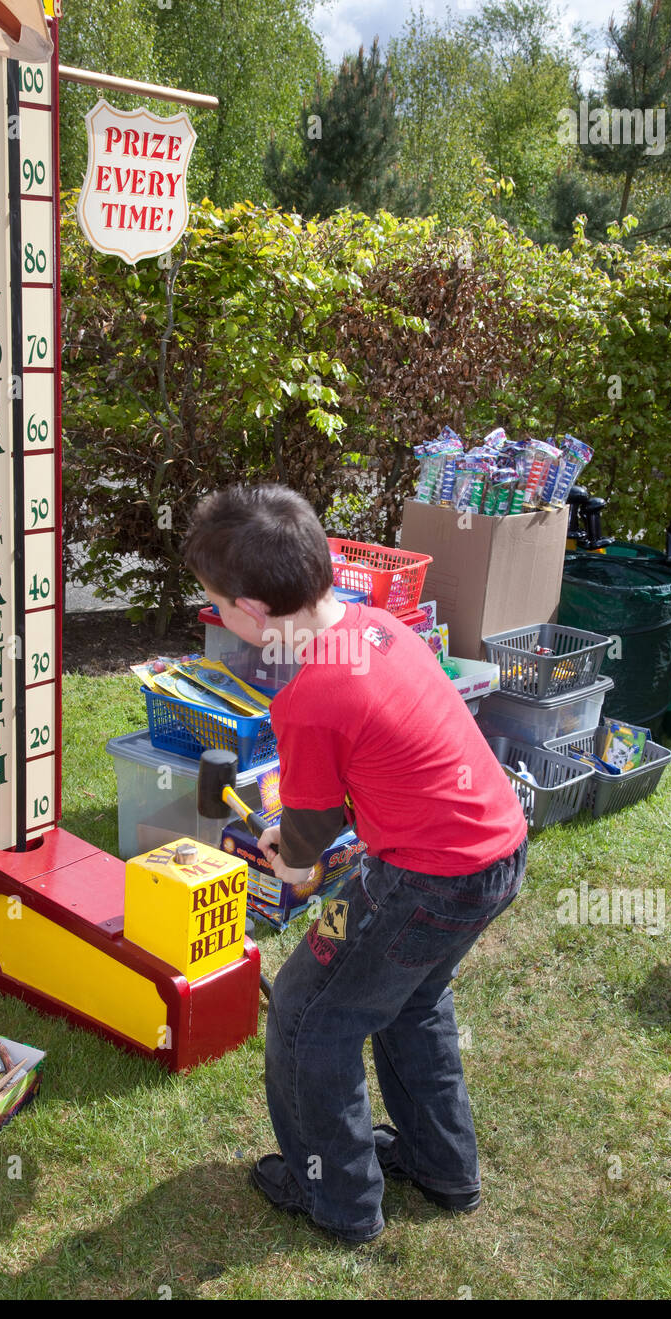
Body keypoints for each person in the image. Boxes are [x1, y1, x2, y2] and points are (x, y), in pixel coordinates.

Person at [184, 483, 528, 1245]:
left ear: (253, 611)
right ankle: (443, 1168)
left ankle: (335, 1198)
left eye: (214, 602)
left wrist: (294, 862)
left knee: (310, 1018)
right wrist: (303, 844)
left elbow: (306, 845)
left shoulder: (310, 699)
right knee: (410, 1001)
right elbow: (336, 803)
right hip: (496, 850)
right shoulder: (376, 627)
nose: (213, 614)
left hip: (428, 880)